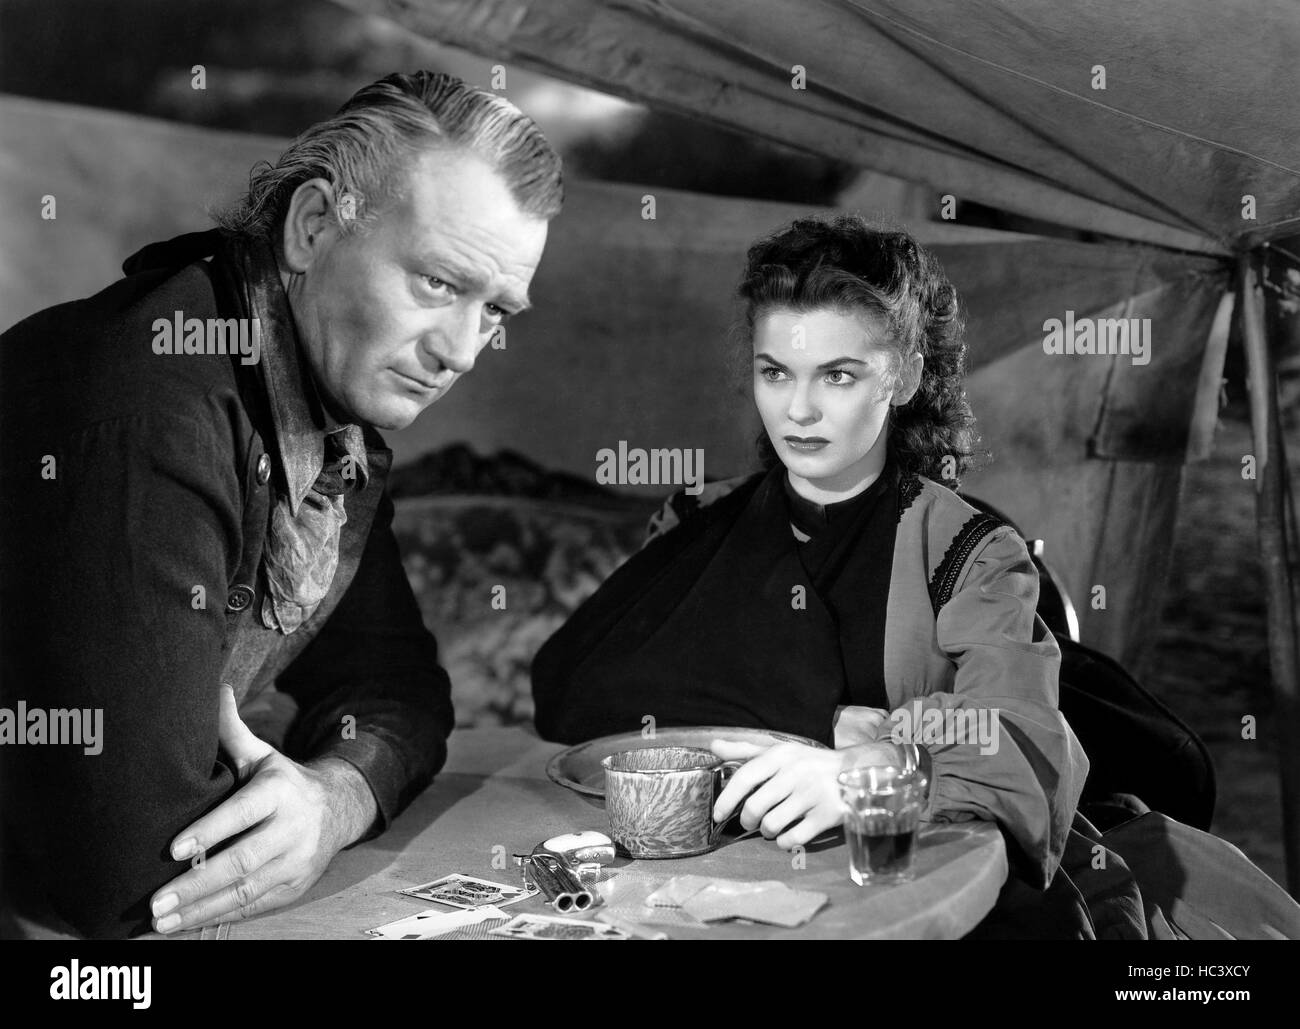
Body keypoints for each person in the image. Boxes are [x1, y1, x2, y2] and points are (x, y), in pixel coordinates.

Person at [0, 71, 561, 938]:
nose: (461, 351)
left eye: (495, 311)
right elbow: (134, 872)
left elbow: (397, 686)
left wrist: (331, 799)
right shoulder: (153, 409)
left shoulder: (335, 414)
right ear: (310, 228)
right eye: (439, 283)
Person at [533, 215, 1087, 893]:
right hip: (707, 881)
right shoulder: (694, 518)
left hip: (901, 879)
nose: (799, 409)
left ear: (903, 377)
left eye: (838, 375)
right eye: (776, 372)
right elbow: (586, 688)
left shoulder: (970, 555)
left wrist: (873, 769)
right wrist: (820, 720)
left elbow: (1023, 748)